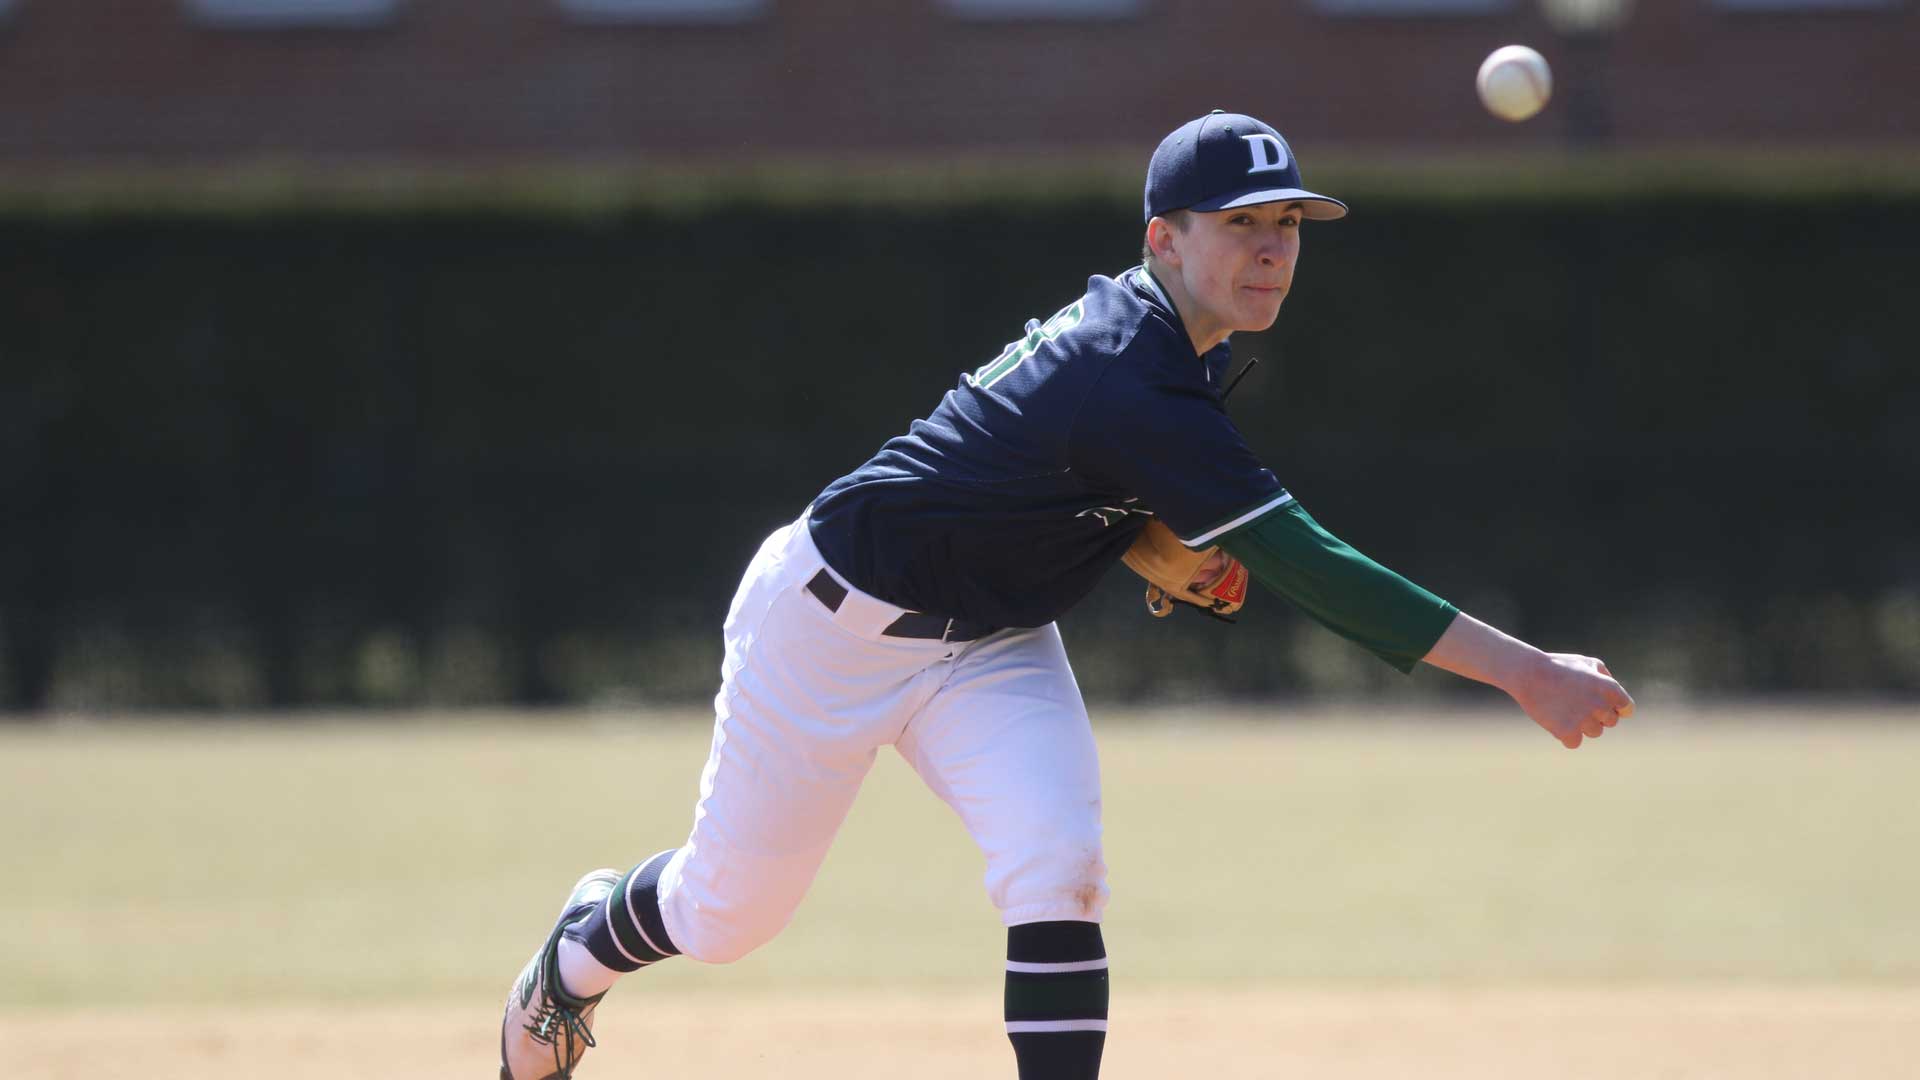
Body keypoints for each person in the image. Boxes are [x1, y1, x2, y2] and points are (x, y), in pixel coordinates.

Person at [498, 109, 1635, 1080]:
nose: (1272, 248)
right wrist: (1527, 672)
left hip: (991, 641)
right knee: (727, 916)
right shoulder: (1129, 372)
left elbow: (1067, 479)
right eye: (1239, 223)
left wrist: (1138, 531)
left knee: (1059, 868)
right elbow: (1314, 567)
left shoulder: (1174, 346)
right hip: (831, 624)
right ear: (1163, 239)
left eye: (1288, 223)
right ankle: (578, 952)